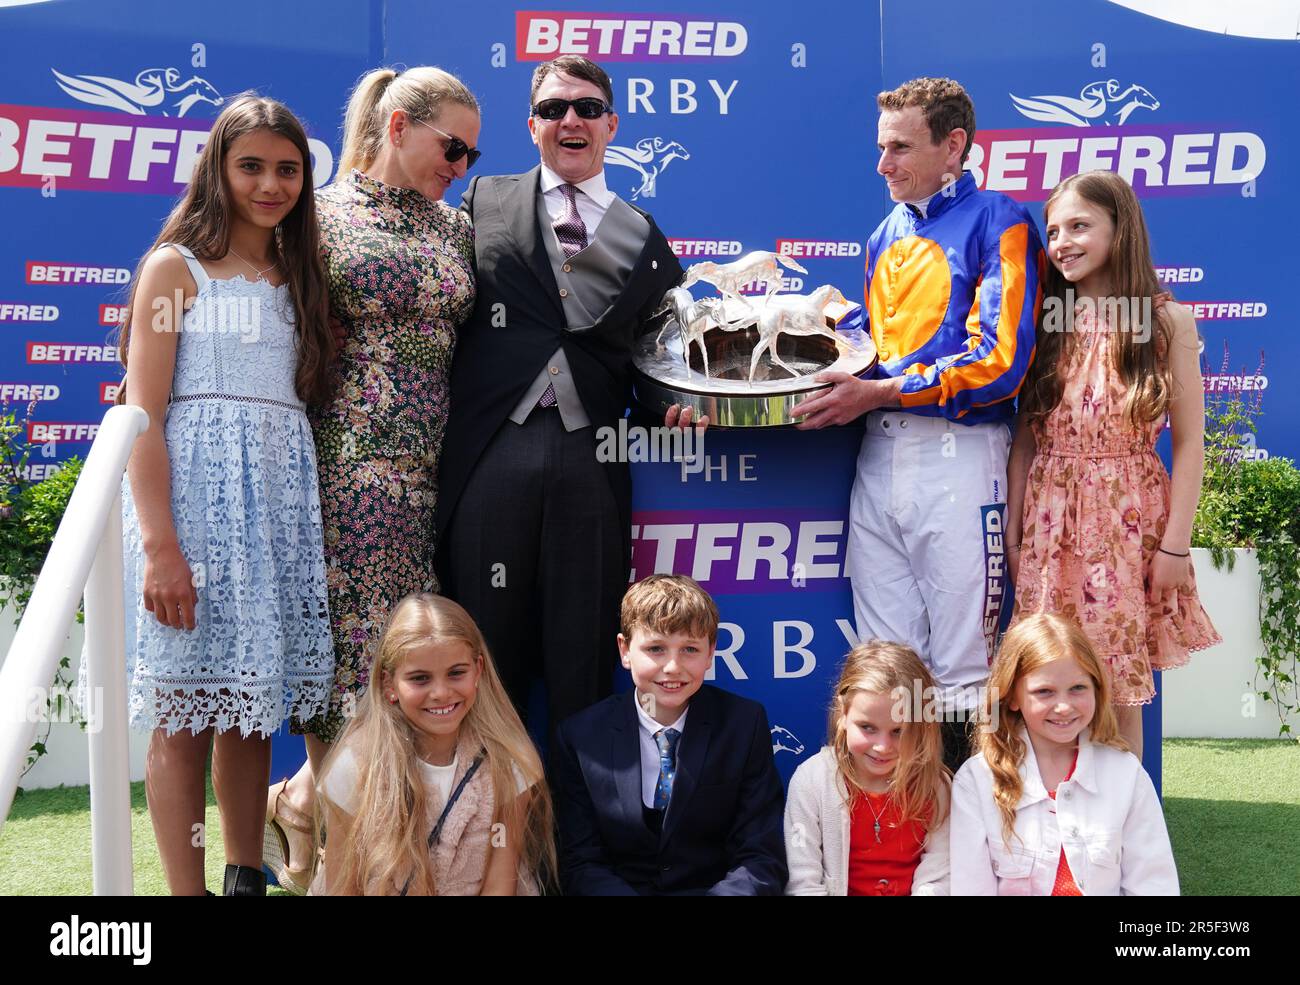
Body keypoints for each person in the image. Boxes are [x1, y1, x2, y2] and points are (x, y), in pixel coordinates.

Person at [436, 56, 699, 736]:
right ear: (532, 126)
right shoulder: (482, 200)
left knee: (584, 660)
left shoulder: (643, 236)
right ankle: (493, 835)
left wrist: (671, 407)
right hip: (493, 453)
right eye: (554, 109)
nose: (570, 120)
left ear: (611, 124)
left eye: (586, 107)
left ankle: (580, 839)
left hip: (593, 458)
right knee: (487, 659)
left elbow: (653, 359)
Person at [113, 94, 335, 896]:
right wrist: (163, 546)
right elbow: (143, 415)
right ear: (218, 168)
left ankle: (247, 872)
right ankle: (186, 890)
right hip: (194, 516)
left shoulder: (301, 274)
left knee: (250, 706)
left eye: (288, 168)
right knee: (184, 715)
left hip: (275, 513)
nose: (270, 183)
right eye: (252, 166)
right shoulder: (177, 268)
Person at [267, 65, 481, 893]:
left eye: (470, 153)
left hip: (434, 482)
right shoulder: (316, 216)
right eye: (449, 146)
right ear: (397, 125)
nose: (460, 165)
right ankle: (355, 863)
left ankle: (300, 801)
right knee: (356, 667)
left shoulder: (454, 227)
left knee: (405, 667)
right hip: (346, 476)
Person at [792, 77, 1044, 772]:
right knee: (884, 666)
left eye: (900, 147)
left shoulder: (1002, 218)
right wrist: (827, 322)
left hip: (960, 460)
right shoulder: (883, 234)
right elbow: (876, 345)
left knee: (964, 667)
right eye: (881, 147)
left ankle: (970, 847)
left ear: (953, 145)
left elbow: (999, 364)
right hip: (878, 458)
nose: (883, 164)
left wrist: (879, 391)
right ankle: (892, 849)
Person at [1006, 170, 1220, 758]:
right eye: (1053, 230)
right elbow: (1025, 439)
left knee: (1119, 689)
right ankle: (1050, 837)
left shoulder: (1166, 321)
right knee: (1048, 679)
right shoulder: (1046, 320)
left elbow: (1189, 443)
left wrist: (1176, 547)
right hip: (1050, 525)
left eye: (1080, 225)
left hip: (1129, 527)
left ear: (1119, 229)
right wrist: (1015, 532)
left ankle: (1123, 841)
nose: (1063, 241)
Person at [550, 575, 786, 896]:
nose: (673, 667)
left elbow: (761, 854)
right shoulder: (580, 737)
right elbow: (580, 861)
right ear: (625, 650)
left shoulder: (743, 725)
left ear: (710, 653)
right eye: (656, 649)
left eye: (689, 649)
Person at [313, 593, 554, 895]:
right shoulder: (356, 766)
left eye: (456, 673)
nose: (440, 693)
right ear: (389, 685)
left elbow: (500, 882)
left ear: (478, 670)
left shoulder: (509, 761)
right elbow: (341, 886)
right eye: (420, 678)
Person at [951, 613, 1179, 896]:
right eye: (1044, 692)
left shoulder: (1126, 775)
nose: (1063, 706)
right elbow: (970, 888)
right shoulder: (976, 781)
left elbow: (1153, 885)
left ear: (1096, 689)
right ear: (1011, 697)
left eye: (1077, 688)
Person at [783, 640, 950, 896]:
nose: (882, 747)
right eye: (868, 728)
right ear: (843, 714)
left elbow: (939, 878)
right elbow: (804, 883)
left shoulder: (934, 786)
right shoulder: (812, 781)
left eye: (898, 731)